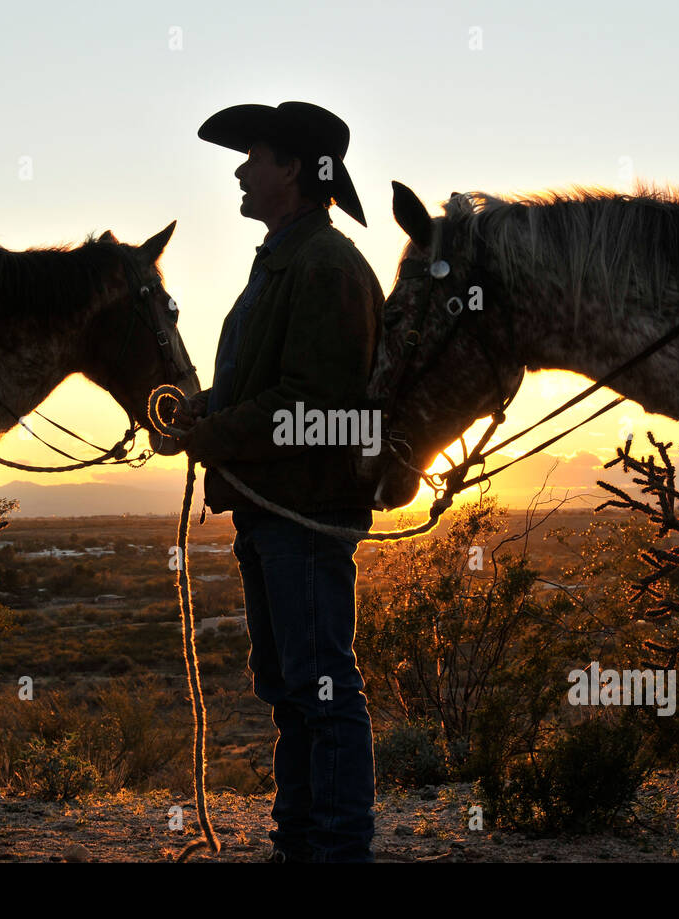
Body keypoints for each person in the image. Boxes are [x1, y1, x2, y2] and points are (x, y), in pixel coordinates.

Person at [171, 101, 384, 862]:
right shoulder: (291, 260)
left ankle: (330, 847)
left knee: (320, 686)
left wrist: (214, 431)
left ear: (291, 168)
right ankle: (304, 842)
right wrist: (208, 409)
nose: (239, 167)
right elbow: (279, 386)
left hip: (304, 510)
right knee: (295, 688)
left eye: (253, 154)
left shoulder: (325, 266)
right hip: (275, 511)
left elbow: (313, 408)